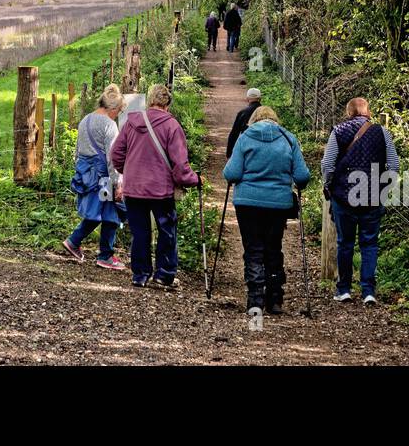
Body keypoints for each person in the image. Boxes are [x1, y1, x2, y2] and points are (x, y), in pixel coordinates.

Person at [222, 106, 311, 316]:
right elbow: (302, 176)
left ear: (253, 120)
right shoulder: (289, 139)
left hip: (248, 203)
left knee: (253, 249)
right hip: (278, 205)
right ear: (276, 120)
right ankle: (275, 299)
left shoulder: (244, 138)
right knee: (273, 248)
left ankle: (255, 300)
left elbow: (232, 173)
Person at [110, 83, 201, 288]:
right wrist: (193, 180)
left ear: (149, 101)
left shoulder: (132, 122)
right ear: (167, 104)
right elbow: (180, 165)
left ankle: (140, 275)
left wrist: (128, 171)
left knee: (140, 232)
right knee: (167, 230)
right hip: (161, 190)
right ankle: (163, 274)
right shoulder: (172, 126)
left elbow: (116, 154)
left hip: (134, 188)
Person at [322, 97, 399, 304]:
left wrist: (328, 185)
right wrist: (383, 189)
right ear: (368, 112)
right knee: (370, 244)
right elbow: (393, 165)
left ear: (349, 113)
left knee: (344, 243)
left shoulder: (338, 131)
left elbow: (328, 164)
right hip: (373, 196)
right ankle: (368, 292)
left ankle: (344, 289)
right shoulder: (382, 132)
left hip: (343, 197)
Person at [63, 84, 128, 270]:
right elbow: (112, 159)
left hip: (86, 174)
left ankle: (74, 241)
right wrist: (118, 184)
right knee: (112, 214)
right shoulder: (109, 125)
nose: (118, 114)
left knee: (97, 212)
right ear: (113, 108)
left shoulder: (85, 120)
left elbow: (77, 152)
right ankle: (105, 256)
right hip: (103, 177)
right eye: (119, 111)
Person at [226, 88, 262, 157]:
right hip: (264, 145)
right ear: (260, 98)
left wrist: (229, 153)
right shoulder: (267, 112)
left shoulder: (242, 113)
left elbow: (234, 134)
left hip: (247, 146)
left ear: (247, 99)